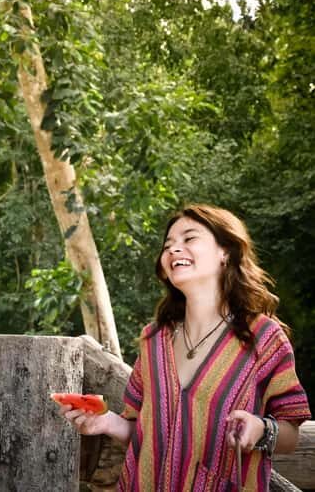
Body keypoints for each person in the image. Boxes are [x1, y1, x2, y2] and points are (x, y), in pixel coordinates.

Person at [60, 204, 310, 490]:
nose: (174, 249)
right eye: (168, 245)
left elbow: (291, 433)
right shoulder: (152, 340)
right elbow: (143, 431)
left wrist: (262, 430)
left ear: (224, 252)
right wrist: (104, 423)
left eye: (189, 239)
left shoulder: (264, 337)